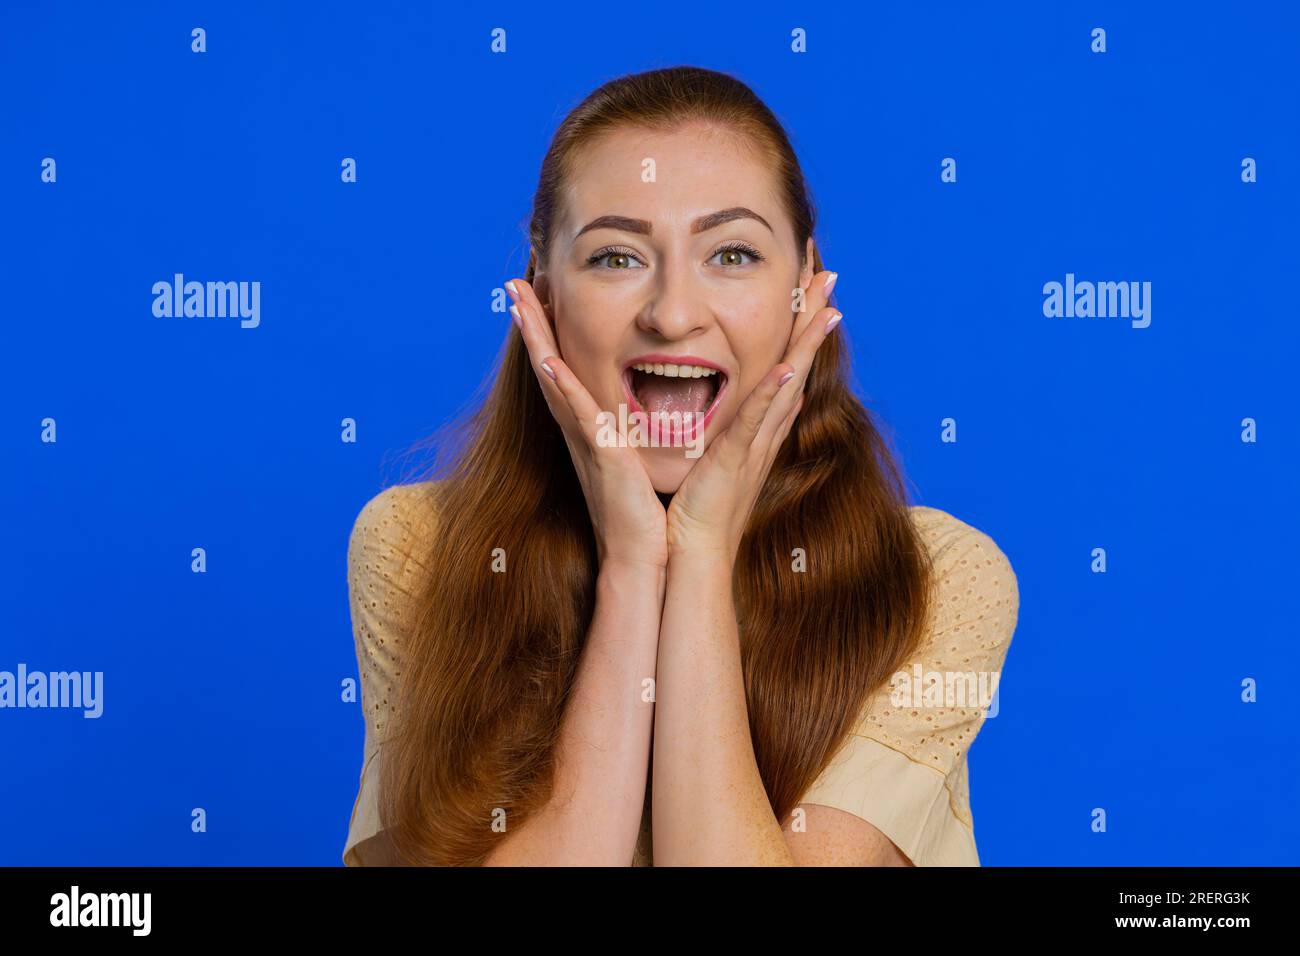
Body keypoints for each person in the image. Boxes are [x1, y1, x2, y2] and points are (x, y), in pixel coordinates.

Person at [343, 65, 1019, 867]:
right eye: (616, 258)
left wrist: (698, 556)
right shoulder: (416, 548)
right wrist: (633, 566)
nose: (671, 313)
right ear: (542, 288)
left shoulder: (937, 579)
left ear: (806, 286)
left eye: (731, 254)